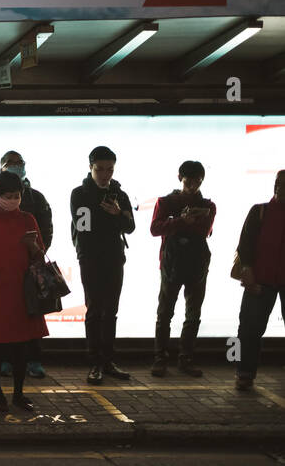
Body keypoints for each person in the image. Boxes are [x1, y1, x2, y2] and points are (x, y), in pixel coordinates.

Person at [0, 171, 47, 412]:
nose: (13, 200)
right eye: (8, 196)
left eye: (17, 196)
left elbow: (40, 253)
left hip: (21, 292)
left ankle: (18, 393)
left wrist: (32, 246)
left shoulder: (28, 219)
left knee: (20, 348)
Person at [70, 145, 136, 385]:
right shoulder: (79, 193)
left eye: (110, 169)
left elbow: (130, 227)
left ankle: (107, 360)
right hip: (90, 258)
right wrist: (116, 219)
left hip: (114, 257)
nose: (105, 174)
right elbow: (84, 227)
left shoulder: (120, 194)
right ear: (91, 167)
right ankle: (94, 361)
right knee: (95, 309)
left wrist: (118, 215)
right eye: (100, 169)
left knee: (111, 310)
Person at [0, 150, 53, 378]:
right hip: (2, 270)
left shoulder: (36, 197)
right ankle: (4, 360)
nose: (16, 166)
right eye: (10, 163)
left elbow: (47, 231)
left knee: (32, 314)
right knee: (5, 316)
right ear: (1, 167)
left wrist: (36, 255)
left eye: (19, 162)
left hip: (30, 268)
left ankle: (34, 360)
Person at [150, 160, 216, 378]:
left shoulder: (208, 205)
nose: (193, 185)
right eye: (189, 180)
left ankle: (185, 359)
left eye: (197, 181)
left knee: (193, 314)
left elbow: (204, 231)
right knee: (165, 312)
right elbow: (154, 229)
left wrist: (182, 221)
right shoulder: (166, 202)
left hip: (196, 264)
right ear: (180, 177)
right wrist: (182, 220)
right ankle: (160, 358)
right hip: (172, 263)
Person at [233, 170, 285, 392]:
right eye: (278, 183)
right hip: (259, 280)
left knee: (250, 327)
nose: (280, 188)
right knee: (248, 328)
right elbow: (245, 244)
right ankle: (243, 372)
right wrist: (247, 271)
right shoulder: (260, 211)